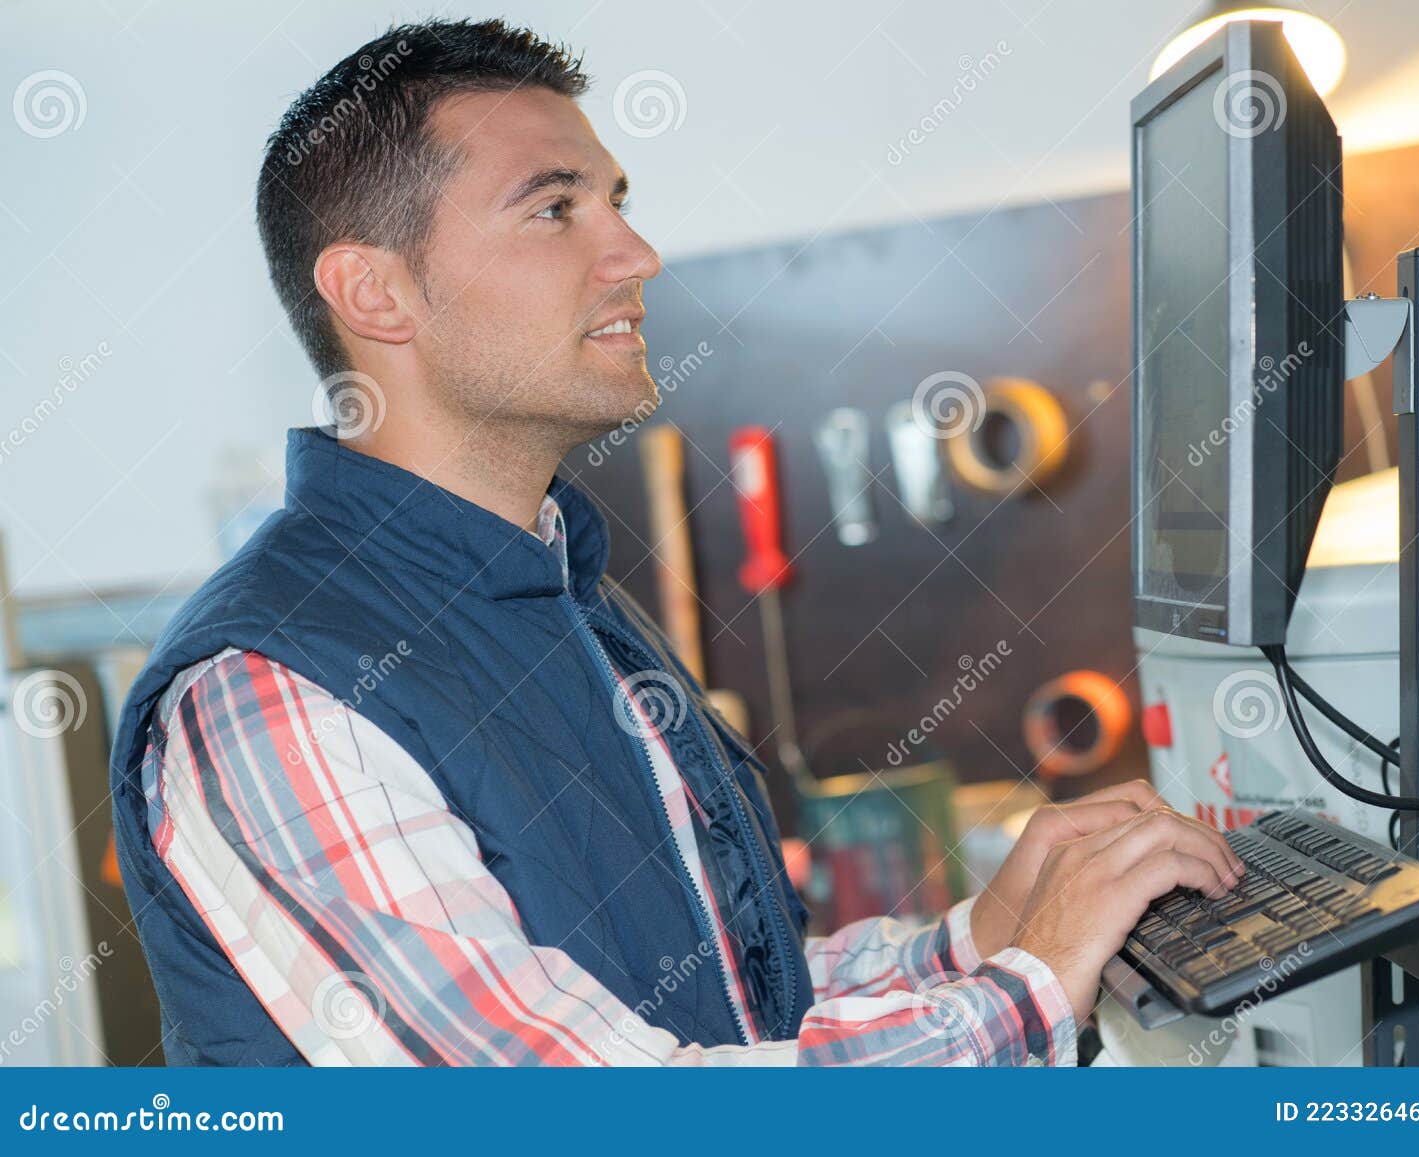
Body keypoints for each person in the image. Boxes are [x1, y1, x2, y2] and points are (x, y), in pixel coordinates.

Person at [109, 17, 1242, 1067]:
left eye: (617, 199)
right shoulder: (275, 687)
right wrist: (1029, 989)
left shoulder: (561, 591)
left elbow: (723, 1012)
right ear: (374, 291)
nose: (635, 253)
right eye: (556, 209)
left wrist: (980, 936)